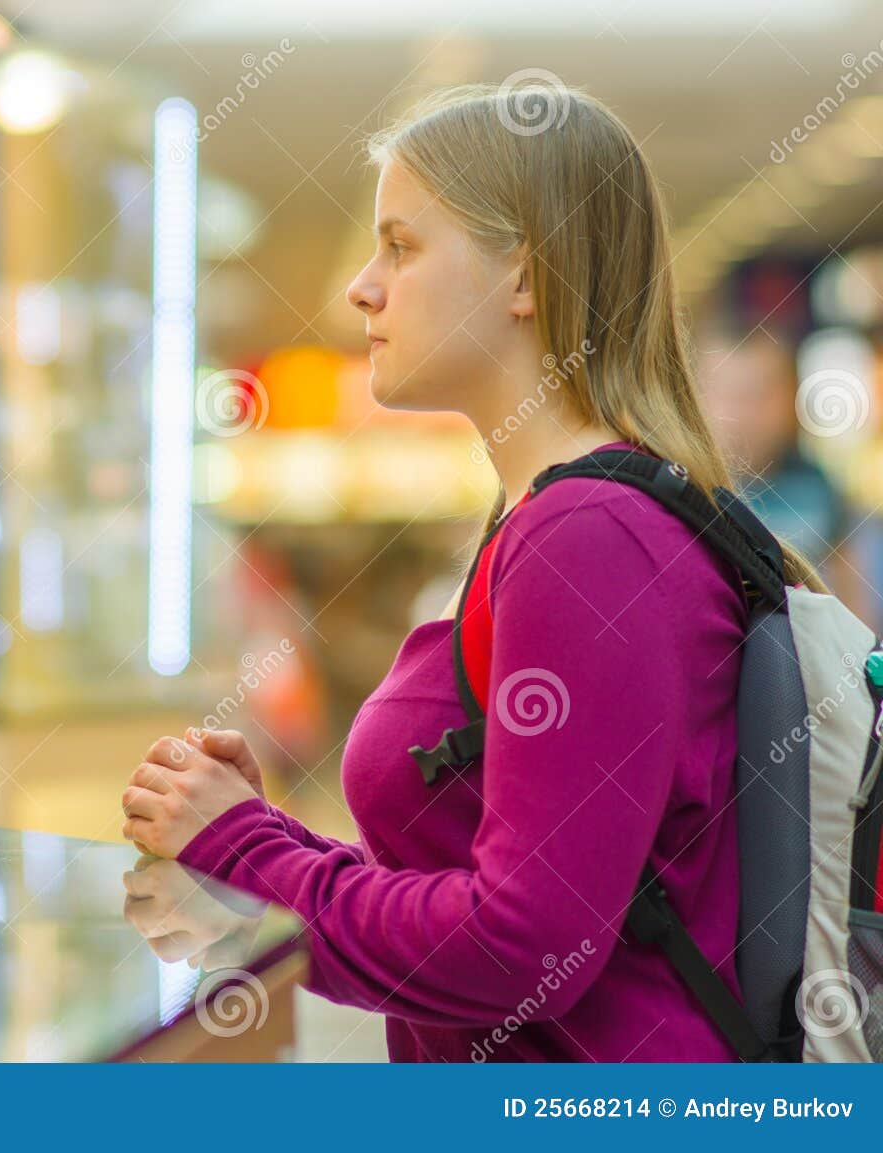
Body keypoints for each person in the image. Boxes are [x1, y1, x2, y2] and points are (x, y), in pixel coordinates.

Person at [119, 84, 829, 1062]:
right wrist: (266, 844)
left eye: (401, 248)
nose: (362, 288)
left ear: (524, 277)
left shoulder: (591, 538)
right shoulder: (572, 517)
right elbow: (502, 885)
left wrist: (246, 852)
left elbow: (519, 945)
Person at [697, 331, 872, 627]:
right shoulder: (692, 490)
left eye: (761, 394)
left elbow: (853, 608)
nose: (747, 412)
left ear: (793, 398)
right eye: (732, 395)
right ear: (698, 400)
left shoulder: (820, 488)